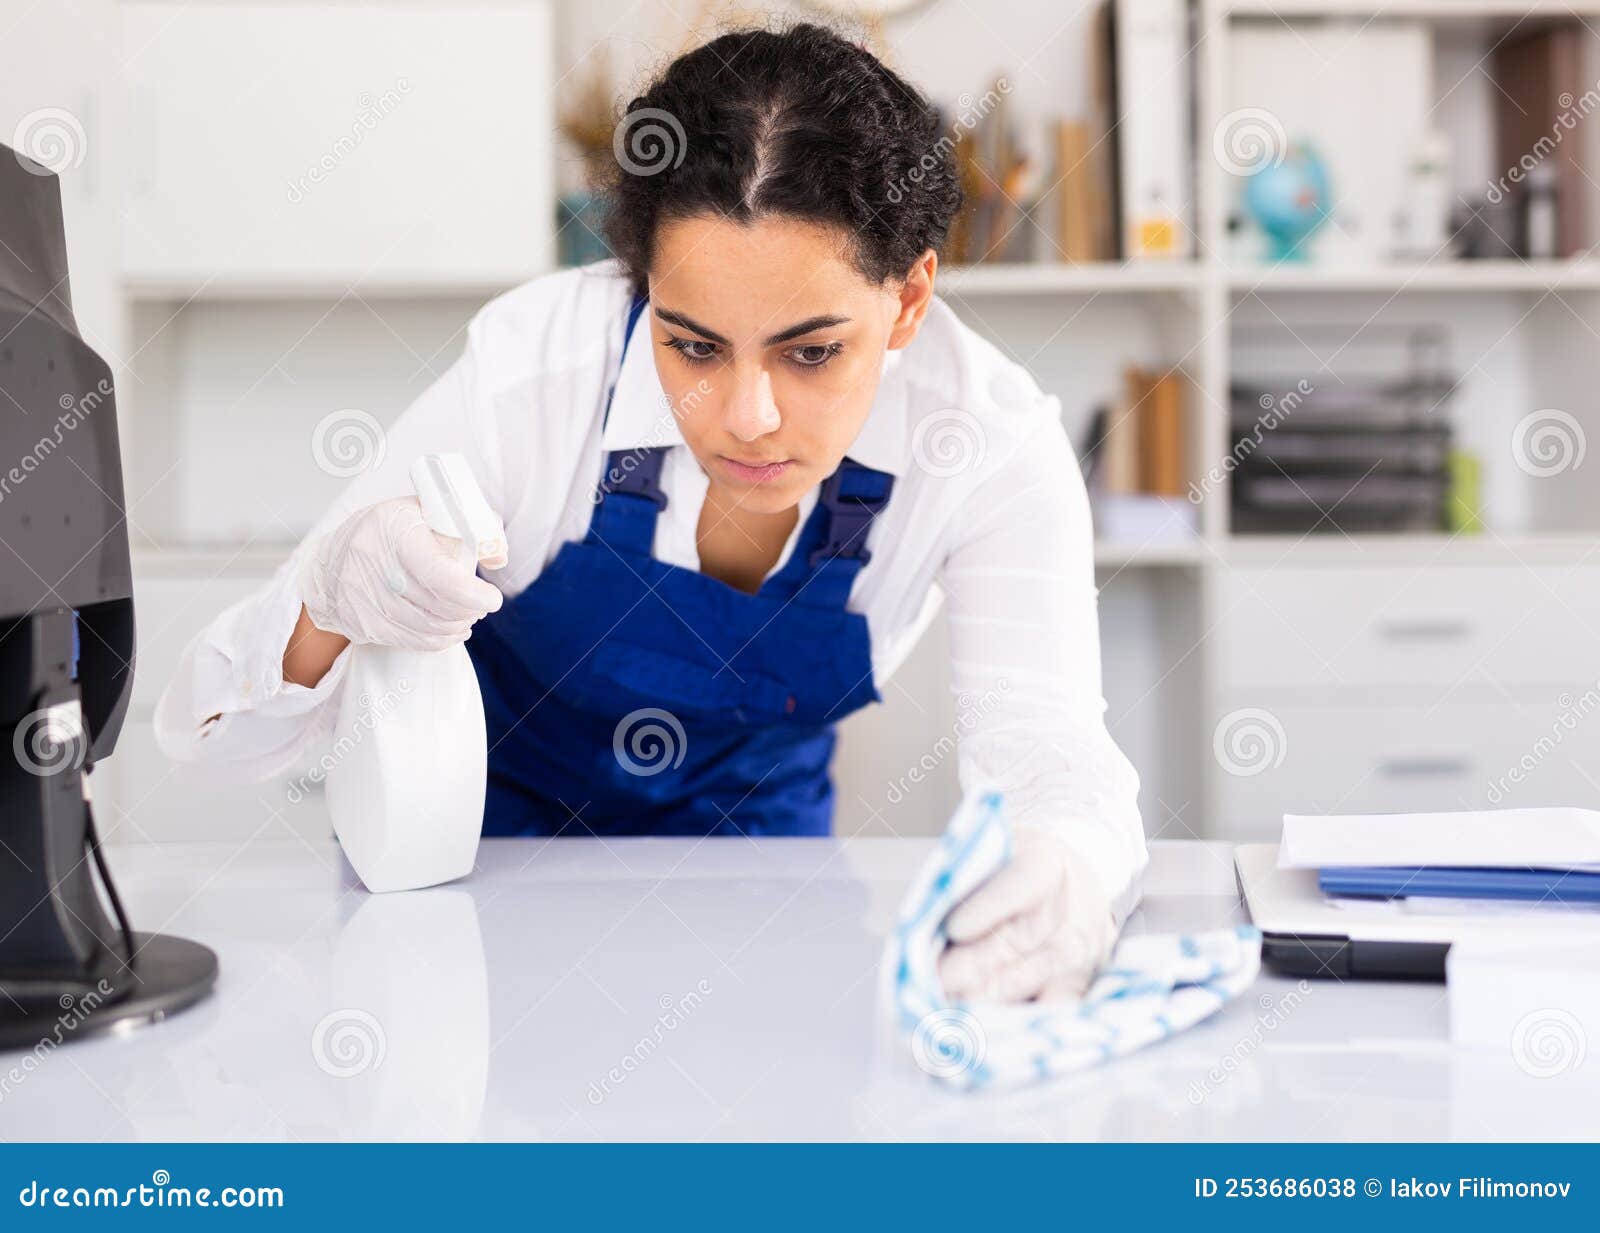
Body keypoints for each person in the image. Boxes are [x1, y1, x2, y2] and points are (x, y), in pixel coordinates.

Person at [157, 23, 1147, 1002]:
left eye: (811, 353)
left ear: (911, 299)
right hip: (472, 902)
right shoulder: (534, 374)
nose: (750, 420)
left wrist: (1068, 869)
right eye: (694, 347)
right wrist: (332, 603)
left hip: (767, 904)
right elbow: (205, 742)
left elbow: (1047, 750)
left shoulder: (987, 441)